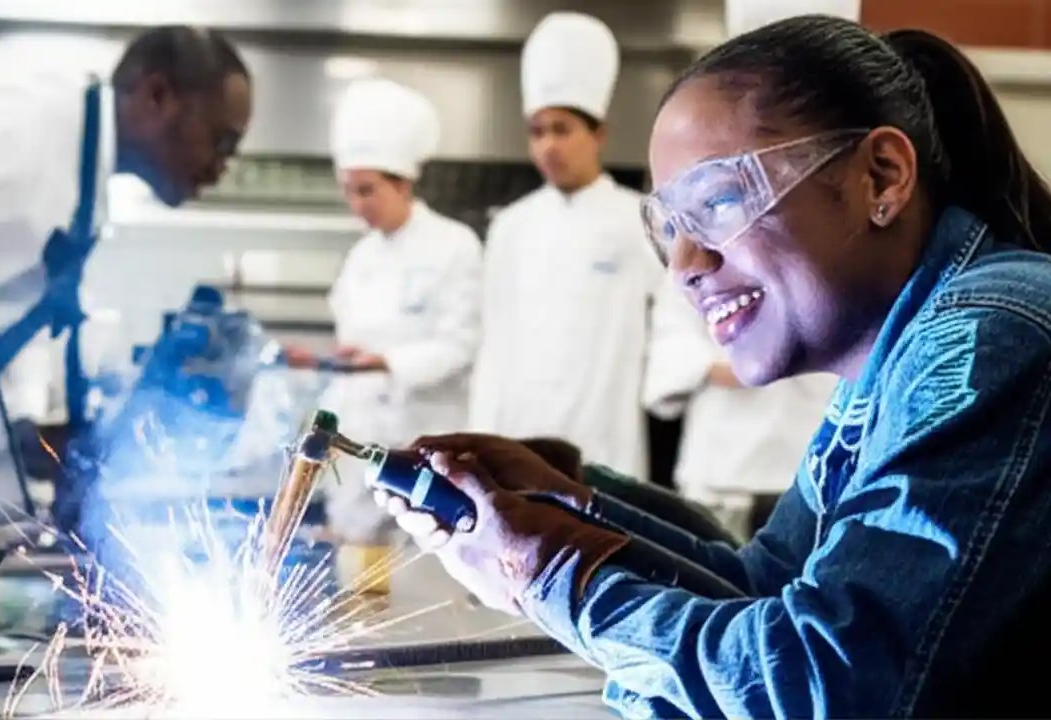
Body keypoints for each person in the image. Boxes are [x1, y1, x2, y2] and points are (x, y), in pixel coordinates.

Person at [378, 15, 1051, 717]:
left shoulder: (989, 332)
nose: (686, 268)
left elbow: (824, 682)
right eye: (672, 229)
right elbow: (764, 583)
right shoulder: (888, 365)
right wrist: (568, 502)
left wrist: (541, 572)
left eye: (721, 201)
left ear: (881, 175)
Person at [0, 26, 252, 428]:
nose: (220, 168)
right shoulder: (22, 133)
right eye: (221, 142)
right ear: (157, 96)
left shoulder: (81, 174)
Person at [467, 11, 663, 479]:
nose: (548, 146)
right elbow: (491, 343)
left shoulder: (639, 218)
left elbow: (675, 325)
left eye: (562, 129)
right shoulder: (511, 226)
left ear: (598, 134)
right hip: (516, 438)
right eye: (537, 132)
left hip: (605, 443)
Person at [293, 78, 481, 544]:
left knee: (424, 582)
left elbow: (461, 344)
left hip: (426, 448)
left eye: (367, 190)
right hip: (360, 452)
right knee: (359, 589)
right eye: (349, 191)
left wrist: (387, 362)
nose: (357, 205)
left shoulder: (454, 245)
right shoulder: (362, 259)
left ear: (402, 183)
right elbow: (348, 351)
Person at [644, 281, 837, 539]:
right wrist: (719, 367)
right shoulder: (696, 265)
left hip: (806, 466)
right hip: (721, 472)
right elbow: (674, 339)